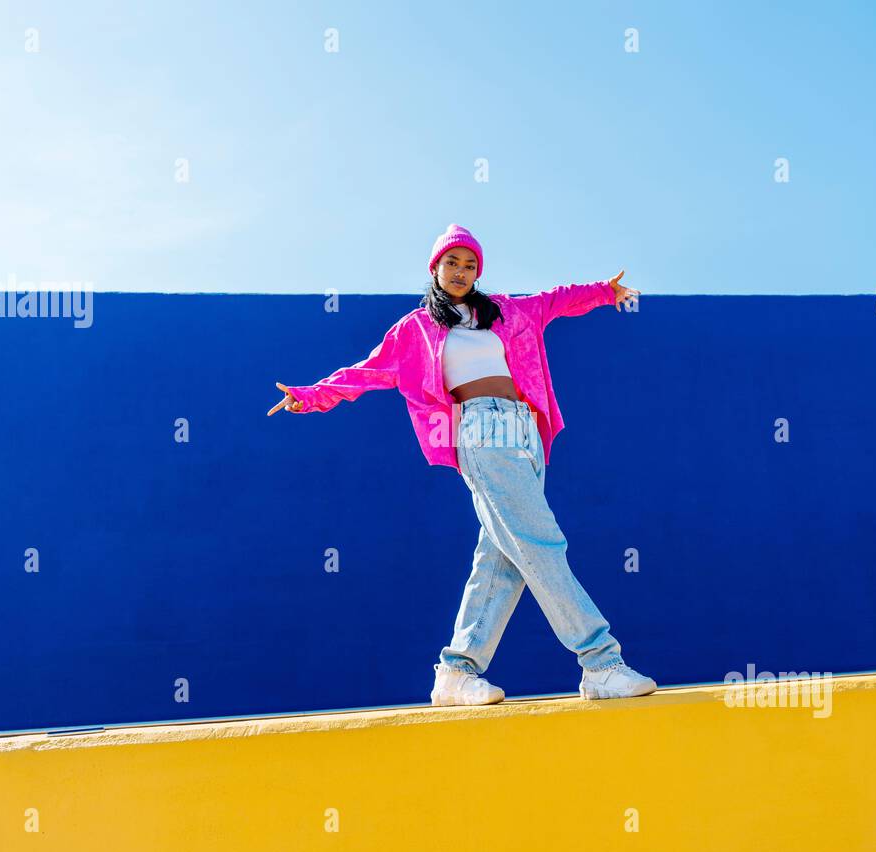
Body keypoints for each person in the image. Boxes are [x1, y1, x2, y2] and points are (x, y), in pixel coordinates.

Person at [269, 224, 657, 706]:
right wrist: (310, 397)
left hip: (525, 433)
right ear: (435, 268)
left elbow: (557, 299)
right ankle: (600, 662)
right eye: (452, 263)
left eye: (470, 264)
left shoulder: (507, 312)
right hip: (481, 431)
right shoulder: (416, 328)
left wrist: (605, 291)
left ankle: (457, 671)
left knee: (503, 561)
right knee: (541, 542)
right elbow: (366, 372)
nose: (461, 271)